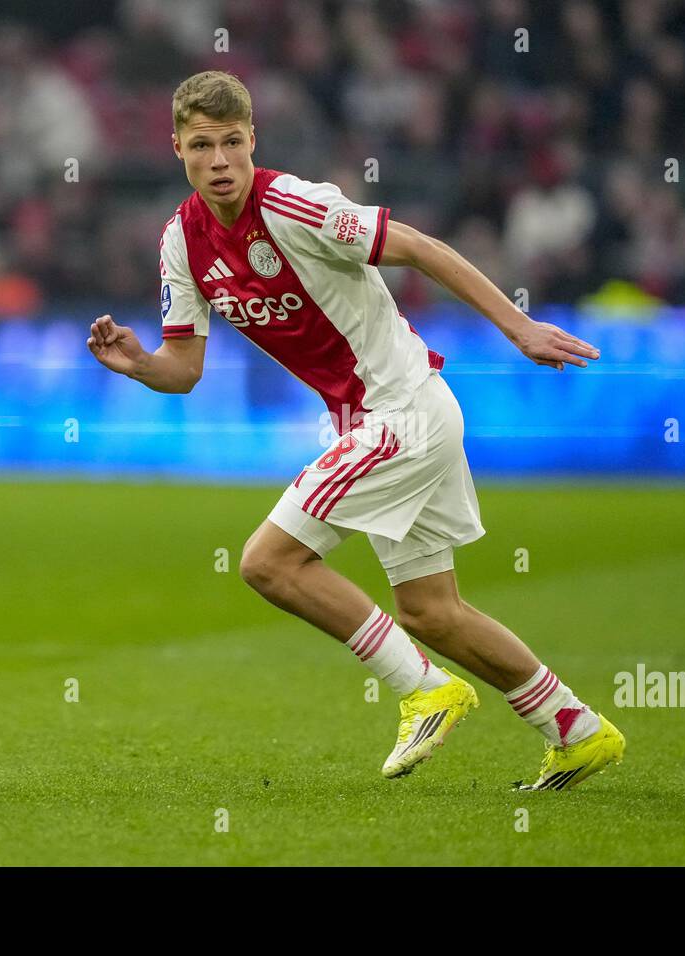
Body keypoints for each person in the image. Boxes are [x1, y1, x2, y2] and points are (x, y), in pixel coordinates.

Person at [87, 70, 623, 789]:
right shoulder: (181, 241)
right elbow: (184, 368)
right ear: (177, 148)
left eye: (233, 143)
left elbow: (421, 247)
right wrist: (137, 365)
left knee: (267, 563)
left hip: (403, 411)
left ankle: (425, 690)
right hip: (387, 420)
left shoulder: (295, 205)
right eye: (202, 145)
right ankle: (577, 728)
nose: (219, 161)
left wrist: (518, 327)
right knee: (433, 611)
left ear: (254, 142)